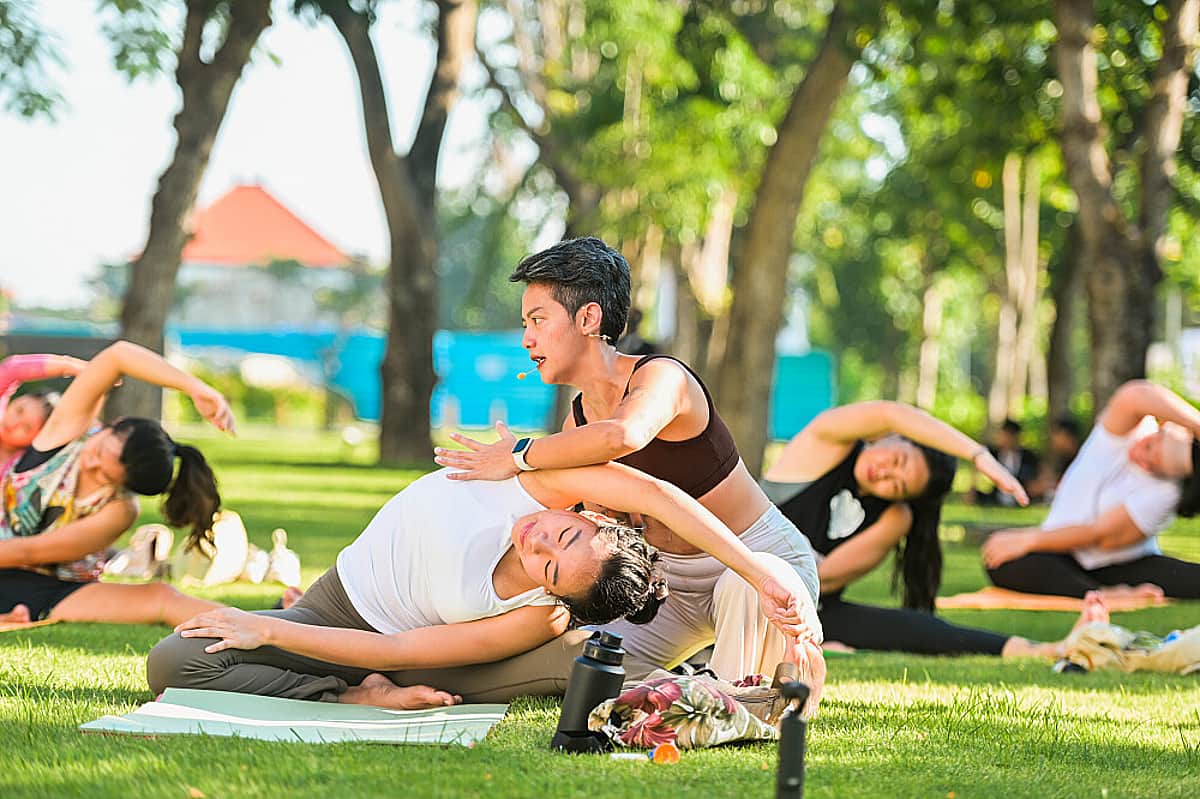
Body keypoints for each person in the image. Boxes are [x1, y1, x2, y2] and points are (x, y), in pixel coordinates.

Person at [433, 236, 825, 705]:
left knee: (735, 694)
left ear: (588, 318)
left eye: (538, 320)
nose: (527, 340)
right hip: (665, 588)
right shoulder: (574, 423)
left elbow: (624, 434)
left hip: (755, 566)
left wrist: (520, 454)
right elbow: (588, 527)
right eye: (525, 324)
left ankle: (734, 688)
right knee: (587, 670)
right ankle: (691, 677)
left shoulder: (664, 378)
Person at [148, 461, 807, 710]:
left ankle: (352, 696)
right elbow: (655, 492)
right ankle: (347, 689)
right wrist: (750, 564)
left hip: (391, 642)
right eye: (564, 535)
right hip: (335, 600)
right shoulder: (535, 476)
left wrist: (267, 626)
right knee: (177, 657)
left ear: (558, 597)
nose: (539, 542)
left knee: (173, 662)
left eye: (552, 568)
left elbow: (402, 653)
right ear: (587, 514)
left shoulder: (539, 615)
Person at [760, 400, 1088, 658]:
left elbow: (825, 577)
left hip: (809, 608)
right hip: (743, 584)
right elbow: (890, 412)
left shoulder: (895, 516)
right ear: (893, 437)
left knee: (919, 630)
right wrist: (977, 455)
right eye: (899, 460)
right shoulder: (827, 444)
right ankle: (806, 642)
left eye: (899, 487)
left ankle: (1043, 649)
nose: (885, 475)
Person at [0, 340, 234, 626]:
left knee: (162, 598)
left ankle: (278, 625)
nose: (90, 463)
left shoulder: (120, 509)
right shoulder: (66, 434)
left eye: (105, 474)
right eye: (99, 450)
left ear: (124, 484)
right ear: (111, 425)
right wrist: (195, 388)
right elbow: (118, 356)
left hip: (54, 588)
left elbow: (31, 551)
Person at [984, 380, 1200, 599]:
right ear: (1161, 429)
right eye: (1150, 446)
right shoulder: (1130, 430)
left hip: (1122, 564)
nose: (1142, 458)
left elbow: (1097, 535)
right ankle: (1101, 593)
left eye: (1154, 466)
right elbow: (1134, 394)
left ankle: (1102, 592)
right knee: (1001, 559)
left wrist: (1028, 539)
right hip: (1060, 554)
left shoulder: (1166, 492)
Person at [0, 353, 89, 474]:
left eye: (26, 427)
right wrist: (70, 366)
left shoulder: (25, 469)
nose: (13, 423)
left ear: (37, 438)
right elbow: (11, 368)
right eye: (19, 410)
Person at [969, 419, 1039, 507]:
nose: (1006, 439)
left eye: (1009, 436)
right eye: (1004, 435)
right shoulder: (993, 453)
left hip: (1022, 499)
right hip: (994, 498)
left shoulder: (1029, 457)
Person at [1027, 415, 1083, 502]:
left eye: (1055, 434)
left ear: (1065, 435)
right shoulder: (1065, 458)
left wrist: (1046, 486)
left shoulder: (1082, 457)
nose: (1052, 439)